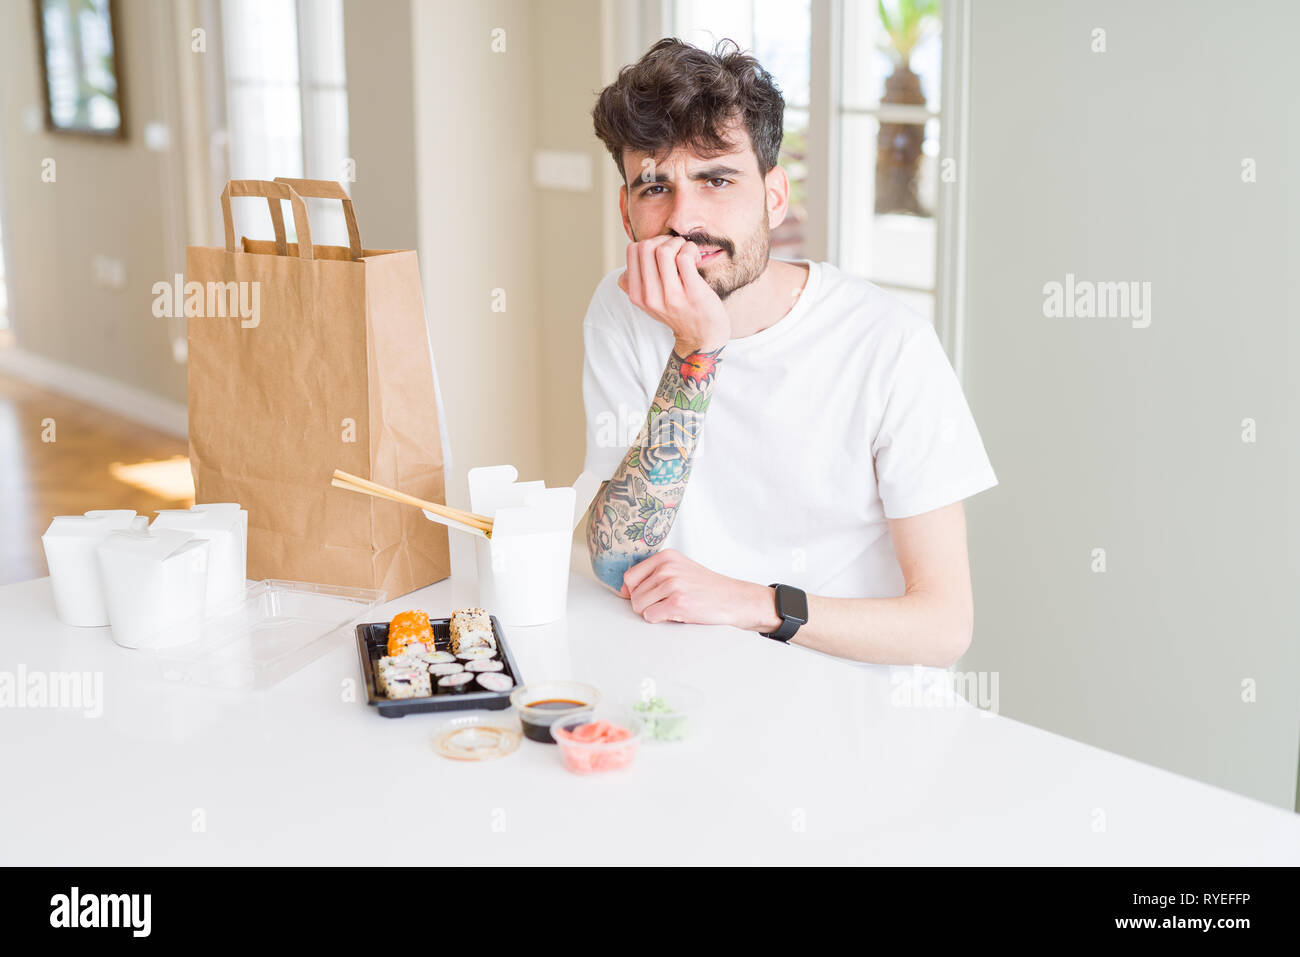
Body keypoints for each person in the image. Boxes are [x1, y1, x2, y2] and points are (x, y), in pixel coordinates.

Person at [580, 38, 997, 667]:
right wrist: (697, 352)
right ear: (626, 210)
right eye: (654, 186)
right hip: (689, 682)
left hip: (850, 707)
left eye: (716, 178)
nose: (683, 217)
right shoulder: (621, 311)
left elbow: (944, 626)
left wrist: (752, 603)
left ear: (775, 196)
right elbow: (617, 559)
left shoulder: (890, 344)